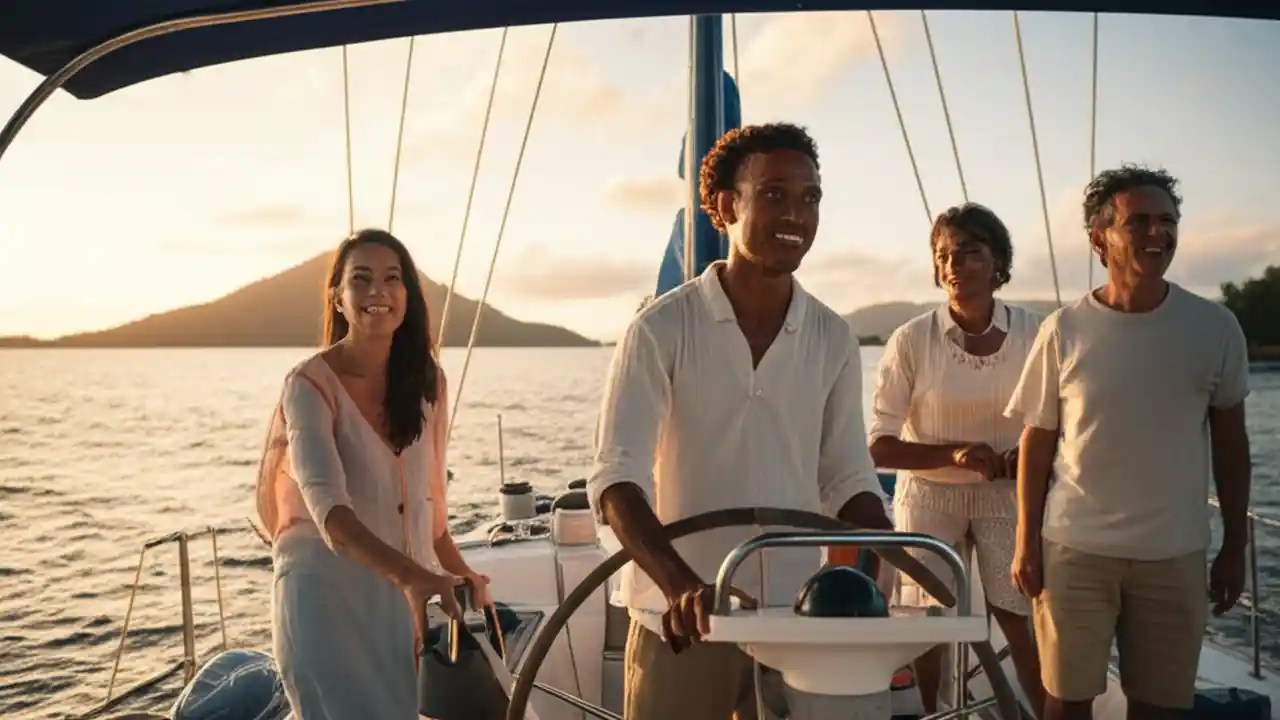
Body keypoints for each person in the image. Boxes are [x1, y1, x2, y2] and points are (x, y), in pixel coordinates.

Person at [586, 122, 898, 720]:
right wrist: (681, 585)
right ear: (727, 206)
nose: (797, 214)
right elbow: (616, 478)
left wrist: (895, 556)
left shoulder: (833, 337)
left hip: (793, 618)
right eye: (775, 194)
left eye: (810, 197)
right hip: (680, 621)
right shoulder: (660, 329)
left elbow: (847, 478)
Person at [1005, 165, 1252, 720]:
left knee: (1160, 707)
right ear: (1100, 239)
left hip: (1175, 553)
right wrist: (1026, 543)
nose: (1156, 232)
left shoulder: (1215, 328)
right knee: (1066, 702)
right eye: (1137, 221)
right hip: (1075, 550)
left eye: (1167, 221)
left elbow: (1232, 449)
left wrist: (1234, 546)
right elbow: (1036, 444)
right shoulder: (1063, 330)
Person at [254, 228, 492, 719]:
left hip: (403, 598)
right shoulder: (308, 385)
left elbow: (430, 513)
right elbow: (330, 514)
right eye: (360, 279)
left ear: (408, 295)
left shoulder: (430, 382)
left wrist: (461, 571)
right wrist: (413, 577)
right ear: (337, 298)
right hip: (325, 604)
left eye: (391, 278)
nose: (377, 291)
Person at [868, 202, 1046, 716]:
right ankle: (934, 712)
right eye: (944, 255)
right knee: (930, 625)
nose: (954, 266)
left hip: (1007, 495)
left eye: (969, 253)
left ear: (998, 263)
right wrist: (956, 454)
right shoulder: (910, 340)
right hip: (928, 496)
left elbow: (1062, 422)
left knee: (1016, 617)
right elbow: (879, 445)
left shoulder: (1037, 335)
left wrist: (1030, 454)